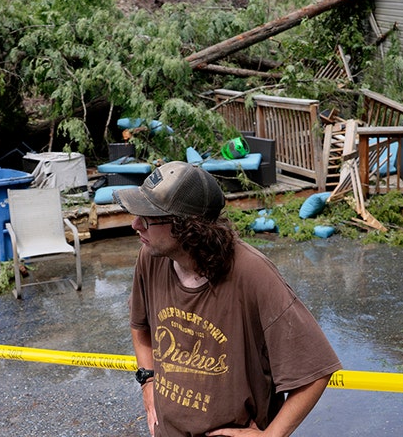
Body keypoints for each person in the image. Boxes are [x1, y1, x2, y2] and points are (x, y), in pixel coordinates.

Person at [114, 161, 341, 437]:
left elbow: (316, 370)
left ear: (185, 226)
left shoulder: (252, 274)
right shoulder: (150, 258)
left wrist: (272, 435)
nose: (135, 225)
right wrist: (148, 383)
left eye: (147, 218)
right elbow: (140, 327)